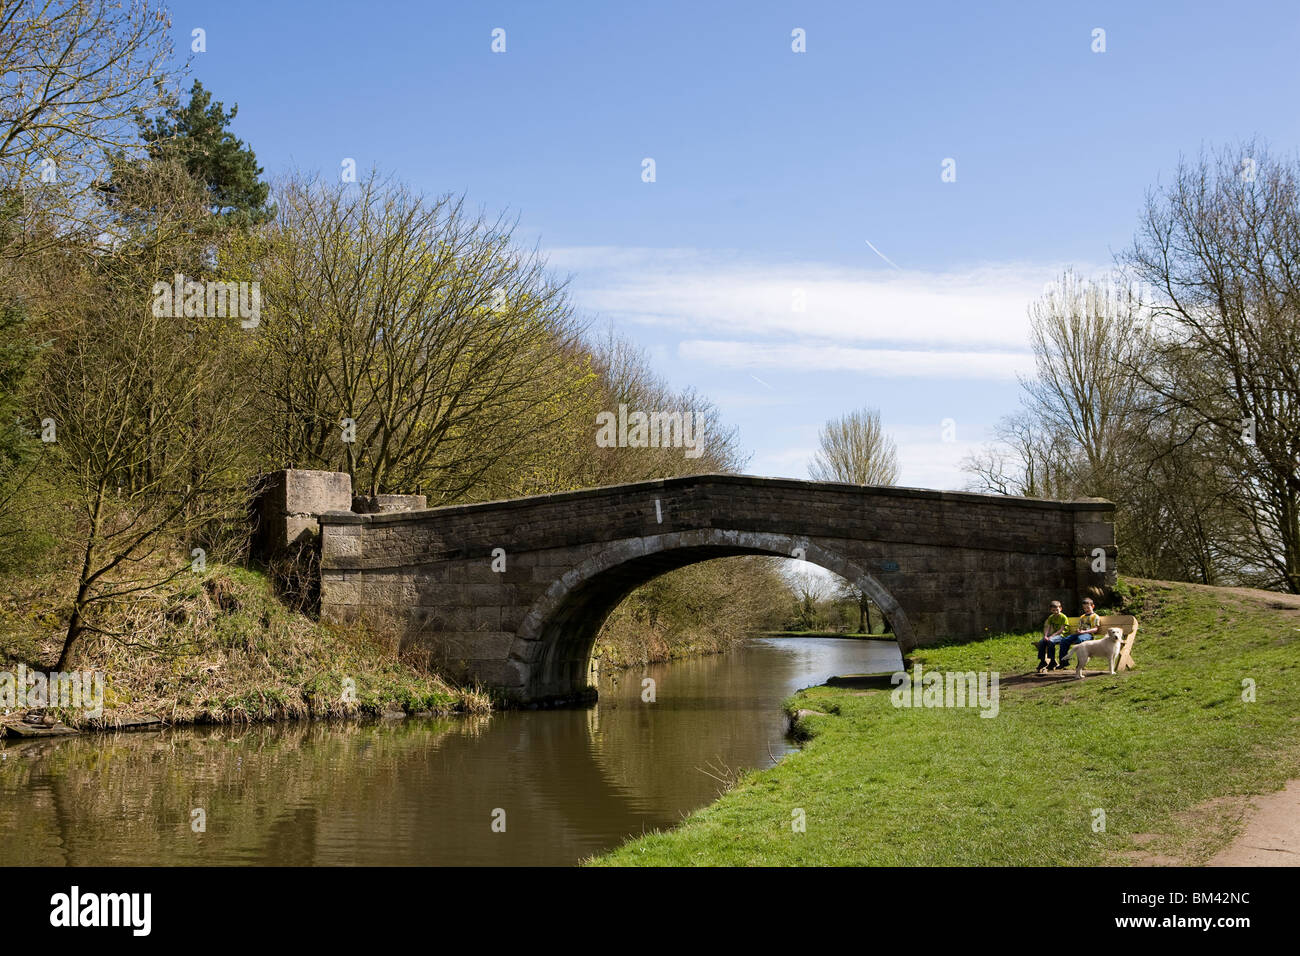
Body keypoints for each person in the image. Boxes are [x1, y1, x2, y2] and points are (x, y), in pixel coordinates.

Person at [1035, 600, 1070, 672]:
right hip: (1054, 635)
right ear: (1051, 610)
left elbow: (1061, 630)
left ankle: (1052, 660)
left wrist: (1051, 636)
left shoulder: (1063, 617)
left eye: (1057, 610)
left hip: (1062, 635)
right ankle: (1043, 661)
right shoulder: (1051, 617)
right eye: (1053, 610)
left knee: (1050, 641)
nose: (1055, 612)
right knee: (1042, 641)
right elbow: (1048, 627)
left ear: (1060, 608)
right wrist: (1045, 636)